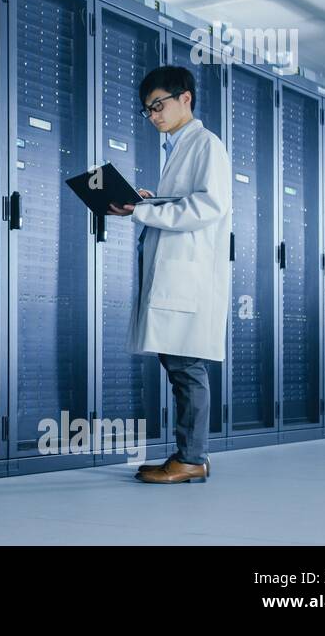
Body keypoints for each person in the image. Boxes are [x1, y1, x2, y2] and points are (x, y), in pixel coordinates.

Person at [106, 65, 231, 485]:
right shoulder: (179, 148)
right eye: (148, 110)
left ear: (185, 99)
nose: (154, 115)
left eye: (159, 105)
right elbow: (183, 201)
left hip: (189, 280)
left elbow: (208, 207)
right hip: (174, 276)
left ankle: (193, 457)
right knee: (178, 364)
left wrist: (144, 210)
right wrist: (150, 200)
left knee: (186, 367)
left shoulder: (206, 145)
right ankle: (188, 454)